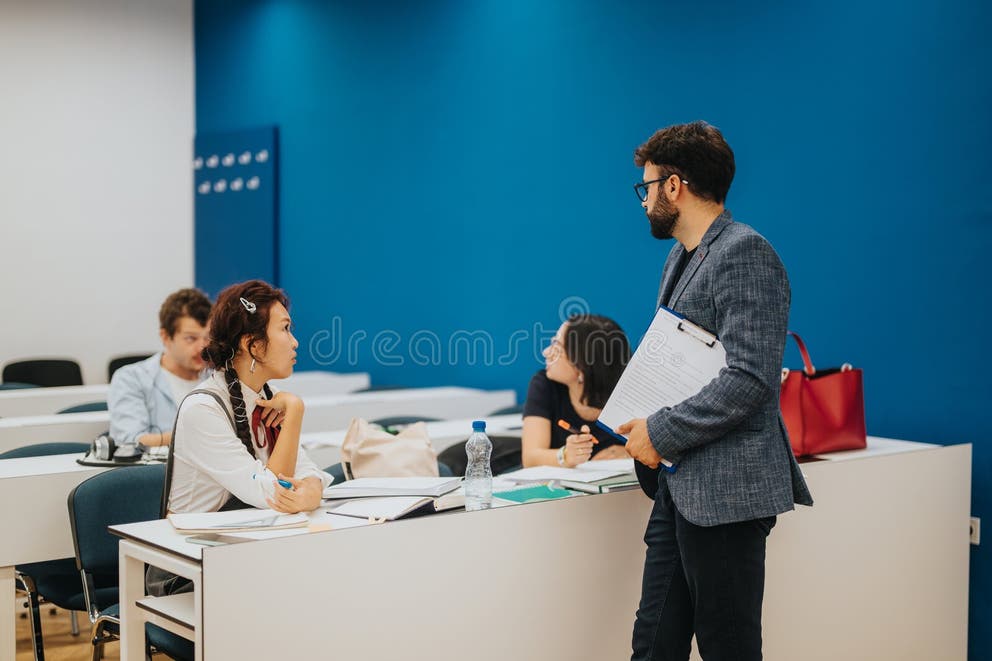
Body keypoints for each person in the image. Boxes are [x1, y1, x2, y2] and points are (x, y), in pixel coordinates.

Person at [620, 121, 813, 661]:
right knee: (653, 644)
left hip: (727, 496)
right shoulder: (682, 256)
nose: (645, 201)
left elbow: (749, 379)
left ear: (674, 186)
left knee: (728, 648)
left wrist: (659, 430)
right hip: (678, 489)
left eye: (647, 186)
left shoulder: (745, 252)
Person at [166, 280, 332, 515]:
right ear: (252, 345)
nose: (295, 342)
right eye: (285, 329)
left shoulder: (270, 397)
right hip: (193, 546)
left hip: (249, 538)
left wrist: (313, 492)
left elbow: (306, 471)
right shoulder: (202, 409)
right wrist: (295, 410)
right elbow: (272, 494)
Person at [521, 314, 631, 467]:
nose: (546, 352)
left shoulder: (629, 394)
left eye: (557, 347)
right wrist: (565, 455)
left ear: (581, 368)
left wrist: (630, 453)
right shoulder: (544, 384)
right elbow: (531, 458)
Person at [108, 287, 211, 448]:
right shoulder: (131, 378)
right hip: (155, 472)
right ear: (165, 337)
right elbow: (129, 441)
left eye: (207, 338)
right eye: (191, 338)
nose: (202, 347)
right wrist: (199, 436)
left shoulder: (217, 377)